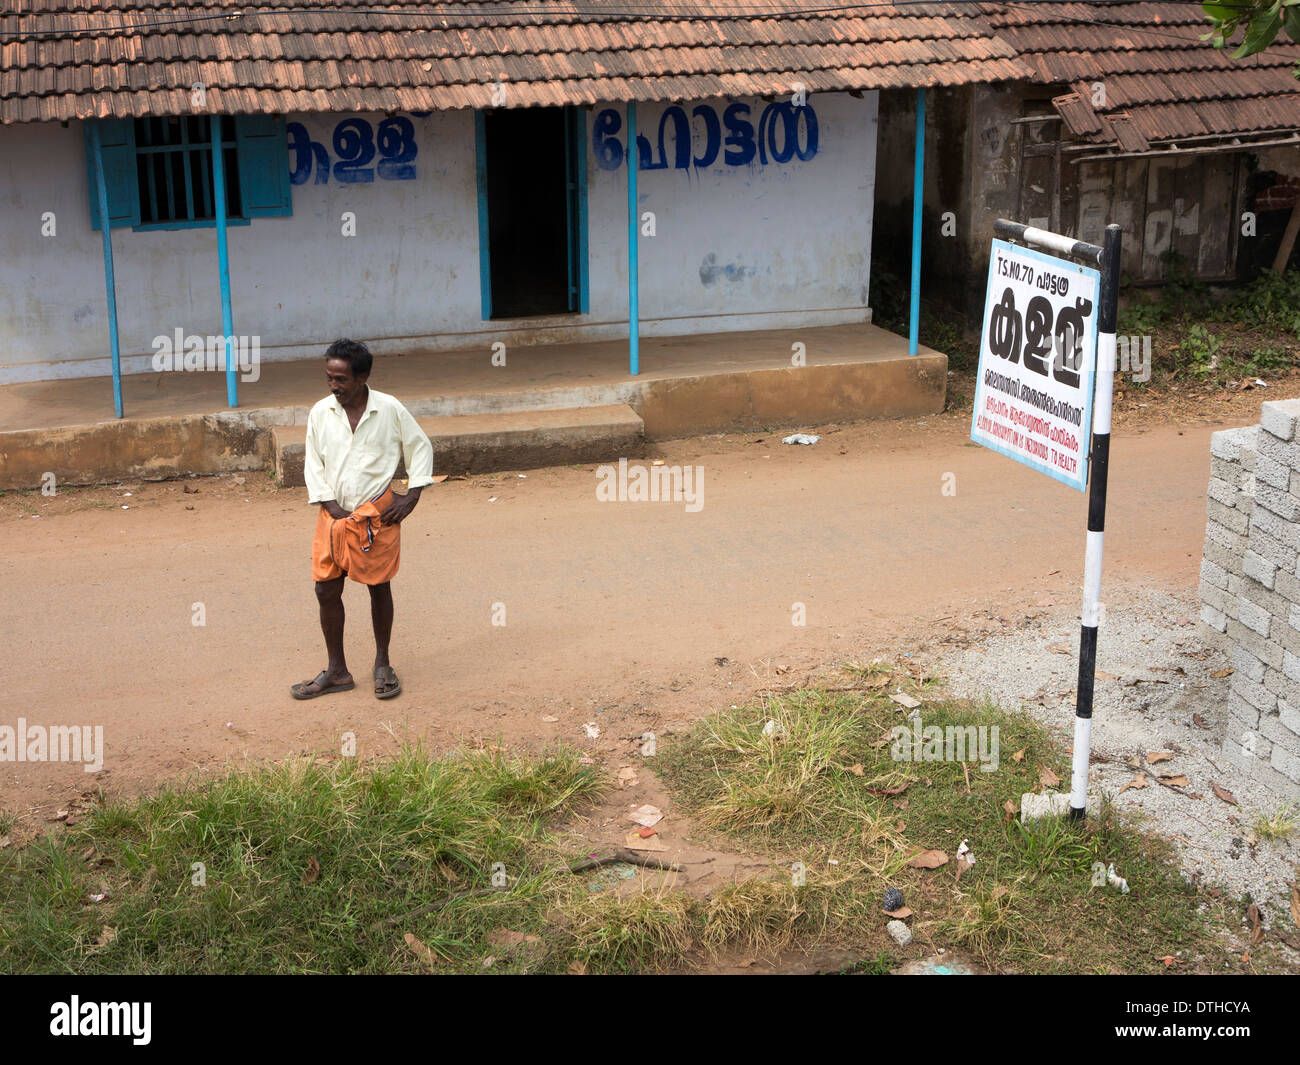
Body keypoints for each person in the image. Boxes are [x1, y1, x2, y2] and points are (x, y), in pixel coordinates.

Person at [290, 339, 433, 701]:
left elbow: (420, 447)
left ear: (363, 376)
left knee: (378, 584)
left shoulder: (389, 409)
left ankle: (382, 662)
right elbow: (313, 462)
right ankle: (337, 671)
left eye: (341, 379)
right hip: (333, 514)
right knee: (325, 588)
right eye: (329, 378)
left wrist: (412, 494)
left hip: (376, 513)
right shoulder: (321, 412)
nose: (333, 386)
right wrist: (329, 504)